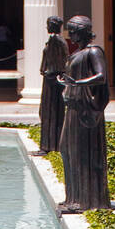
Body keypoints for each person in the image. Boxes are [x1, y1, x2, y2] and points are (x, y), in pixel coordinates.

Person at [56, 15, 111, 214]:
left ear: (84, 31)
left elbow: (101, 76)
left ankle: (84, 201)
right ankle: (73, 197)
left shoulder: (94, 51)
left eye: (73, 31)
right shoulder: (78, 52)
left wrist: (78, 83)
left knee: (79, 152)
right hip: (73, 107)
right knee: (66, 149)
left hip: (84, 110)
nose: (70, 35)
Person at [37, 16, 67, 154]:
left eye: (48, 24)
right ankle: (47, 145)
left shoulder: (58, 41)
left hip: (53, 80)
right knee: (46, 111)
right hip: (49, 79)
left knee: (51, 112)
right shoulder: (52, 40)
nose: (46, 27)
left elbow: (65, 61)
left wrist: (58, 75)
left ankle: (50, 146)